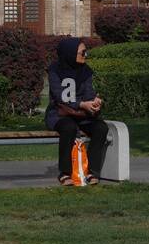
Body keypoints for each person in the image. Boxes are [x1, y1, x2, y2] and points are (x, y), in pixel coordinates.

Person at [44, 37, 108, 186]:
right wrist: (81, 104)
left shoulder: (85, 70)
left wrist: (94, 102)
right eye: (82, 52)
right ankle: (65, 173)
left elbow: (89, 93)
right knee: (69, 128)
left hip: (81, 114)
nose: (85, 55)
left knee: (101, 128)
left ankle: (92, 171)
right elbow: (59, 96)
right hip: (60, 113)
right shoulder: (55, 69)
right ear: (70, 53)